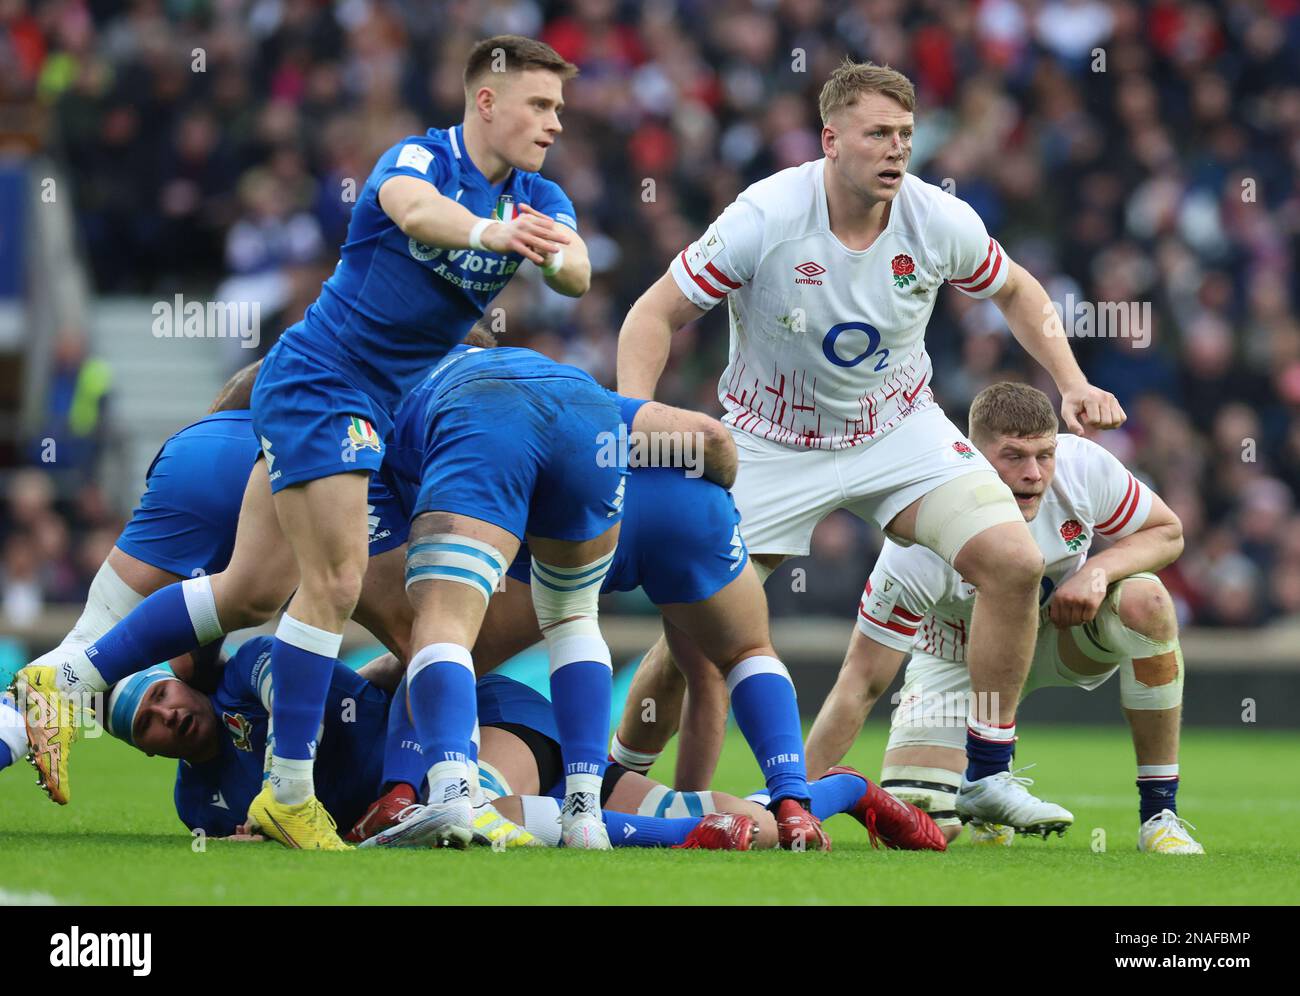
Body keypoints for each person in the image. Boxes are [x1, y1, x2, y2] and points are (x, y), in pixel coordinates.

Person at [19, 35, 588, 851]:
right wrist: (492, 237)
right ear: (487, 102)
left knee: (250, 590)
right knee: (338, 579)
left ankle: (62, 677)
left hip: (353, 396)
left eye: (561, 108)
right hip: (327, 383)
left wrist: (556, 255)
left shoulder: (539, 196)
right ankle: (288, 792)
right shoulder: (422, 160)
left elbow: (576, 273)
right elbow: (413, 212)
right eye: (540, 104)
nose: (555, 122)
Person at [613, 59, 1124, 830]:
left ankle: (987, 770)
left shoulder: (935, 218)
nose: (895, 150)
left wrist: (1072, 378)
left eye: (906, 136)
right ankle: (618, 781)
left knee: (1014, 563)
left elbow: (1017, 290)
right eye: (878, 133)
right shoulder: (765, 215)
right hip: (770, 441)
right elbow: (650, 316)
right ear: (830, 140)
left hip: (898, 429)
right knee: (696, 630)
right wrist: (636, 422)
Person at [803, 382, 1203, 854]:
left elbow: (1168, 532)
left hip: (1060, 635)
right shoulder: (918, 540)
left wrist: (1098, 571)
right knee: (926, 828)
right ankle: (983, 790)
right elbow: (861, 681)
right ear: (970, 454)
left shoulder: (1082, 466)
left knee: (1148, 605)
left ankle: (1160, 815)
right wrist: (795, 799)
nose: (1033, 474)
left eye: (1043, 455)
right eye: (1013, 456)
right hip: (956, 659)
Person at [9, 361, 409, 804]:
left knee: (88, 645)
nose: (168, 713)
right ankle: (444, 792)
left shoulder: (351, 345)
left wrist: (214, 421)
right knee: (431, 637)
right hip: (283, 459)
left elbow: (263, 373)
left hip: (196, 447)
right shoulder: (410, 382)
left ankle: (49, 693)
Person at [369, 343, 625, 850]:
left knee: (442, 613)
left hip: (484, 410)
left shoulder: (381, 377)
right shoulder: (506, 355)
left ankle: (451, 796)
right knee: (574, 618)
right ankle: (585, 816)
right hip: (591, 404)